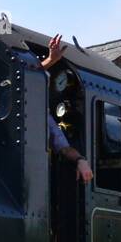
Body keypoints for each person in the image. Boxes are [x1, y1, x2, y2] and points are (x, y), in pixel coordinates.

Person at [39, 34, 94, 184]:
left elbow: (64, 148)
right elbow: (26, 71)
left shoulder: (46, 118)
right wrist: (51, 60)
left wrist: (81, 160)